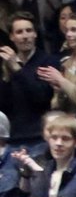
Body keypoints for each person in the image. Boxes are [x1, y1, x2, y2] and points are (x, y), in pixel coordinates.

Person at [2, 12, 60, 152]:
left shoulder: (48, 61)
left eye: (29, 30)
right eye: (19, 32)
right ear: (12, 37)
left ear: (35, 34)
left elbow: (41, 97)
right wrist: (7, 76)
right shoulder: (5, 65)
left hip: (39, 137)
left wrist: (18, 70)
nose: (25, 36)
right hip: (13, 137)